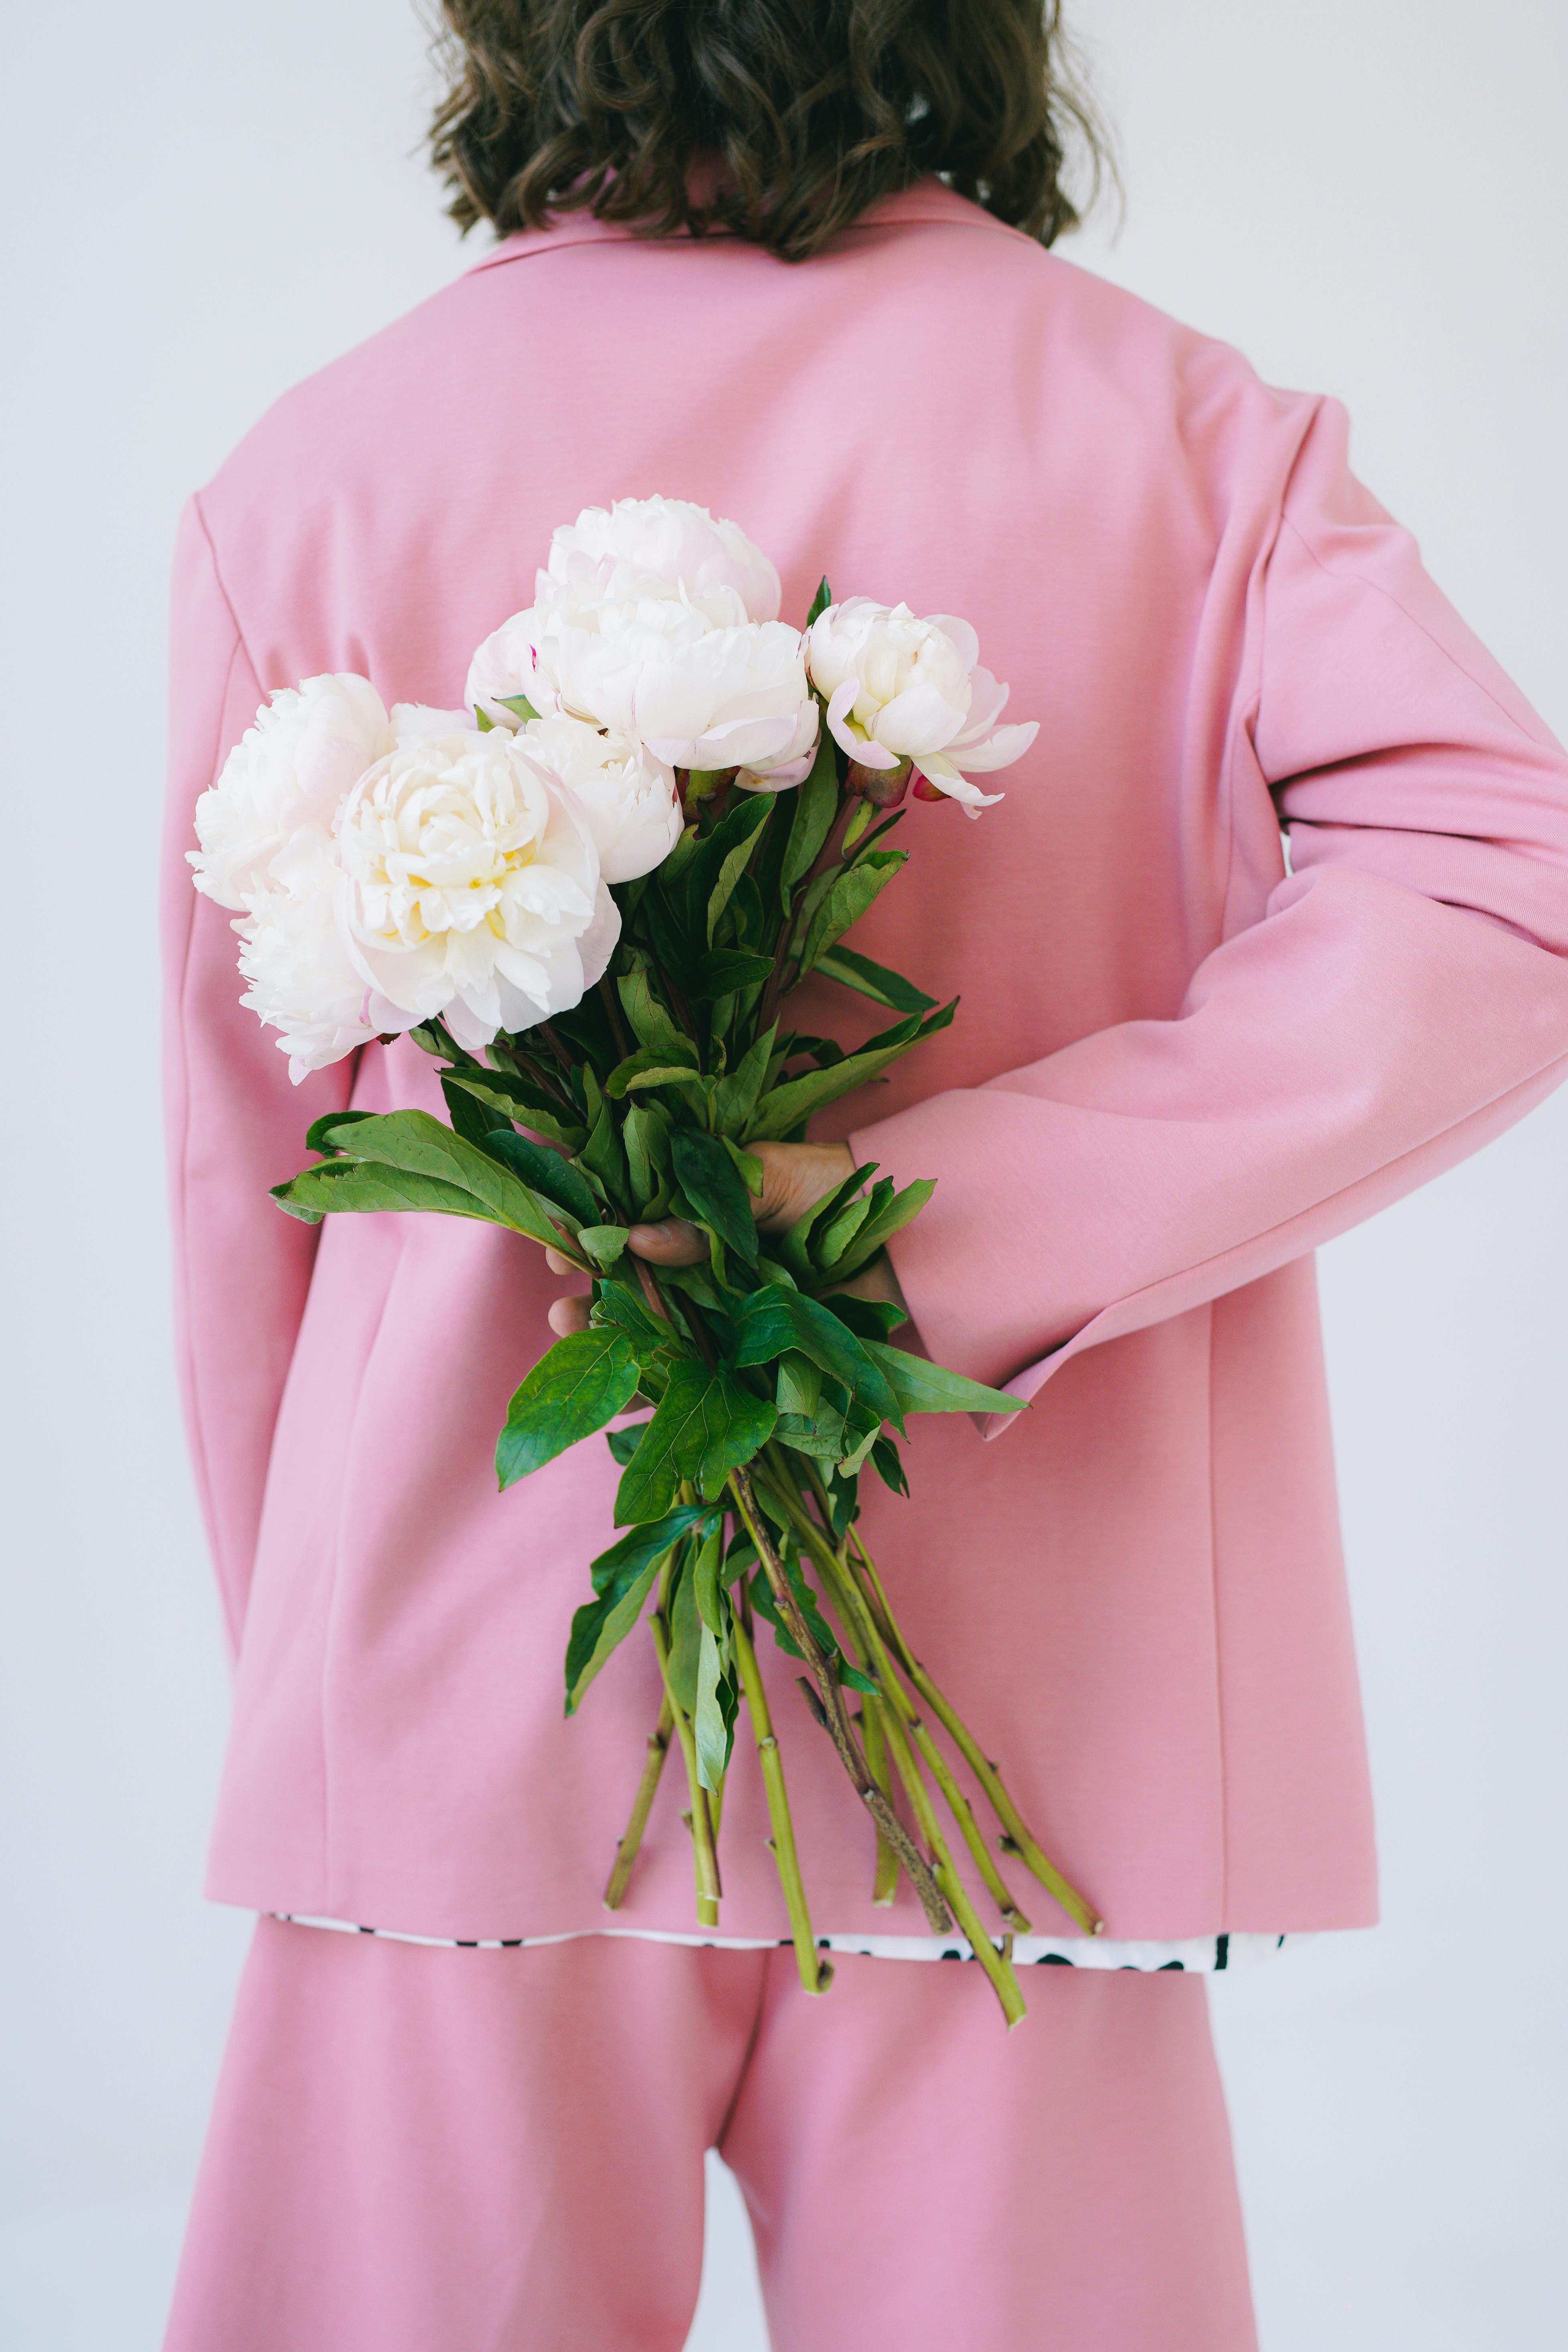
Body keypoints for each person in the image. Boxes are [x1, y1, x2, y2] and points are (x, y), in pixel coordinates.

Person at [158, 5, 1568, 2347]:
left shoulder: (322, 468)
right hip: (1014, 1744)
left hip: (470, 1685)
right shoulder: (1180, 431)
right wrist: (957, 1223)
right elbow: (1505, 885)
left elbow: (255, 1183)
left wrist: (333, 1698)